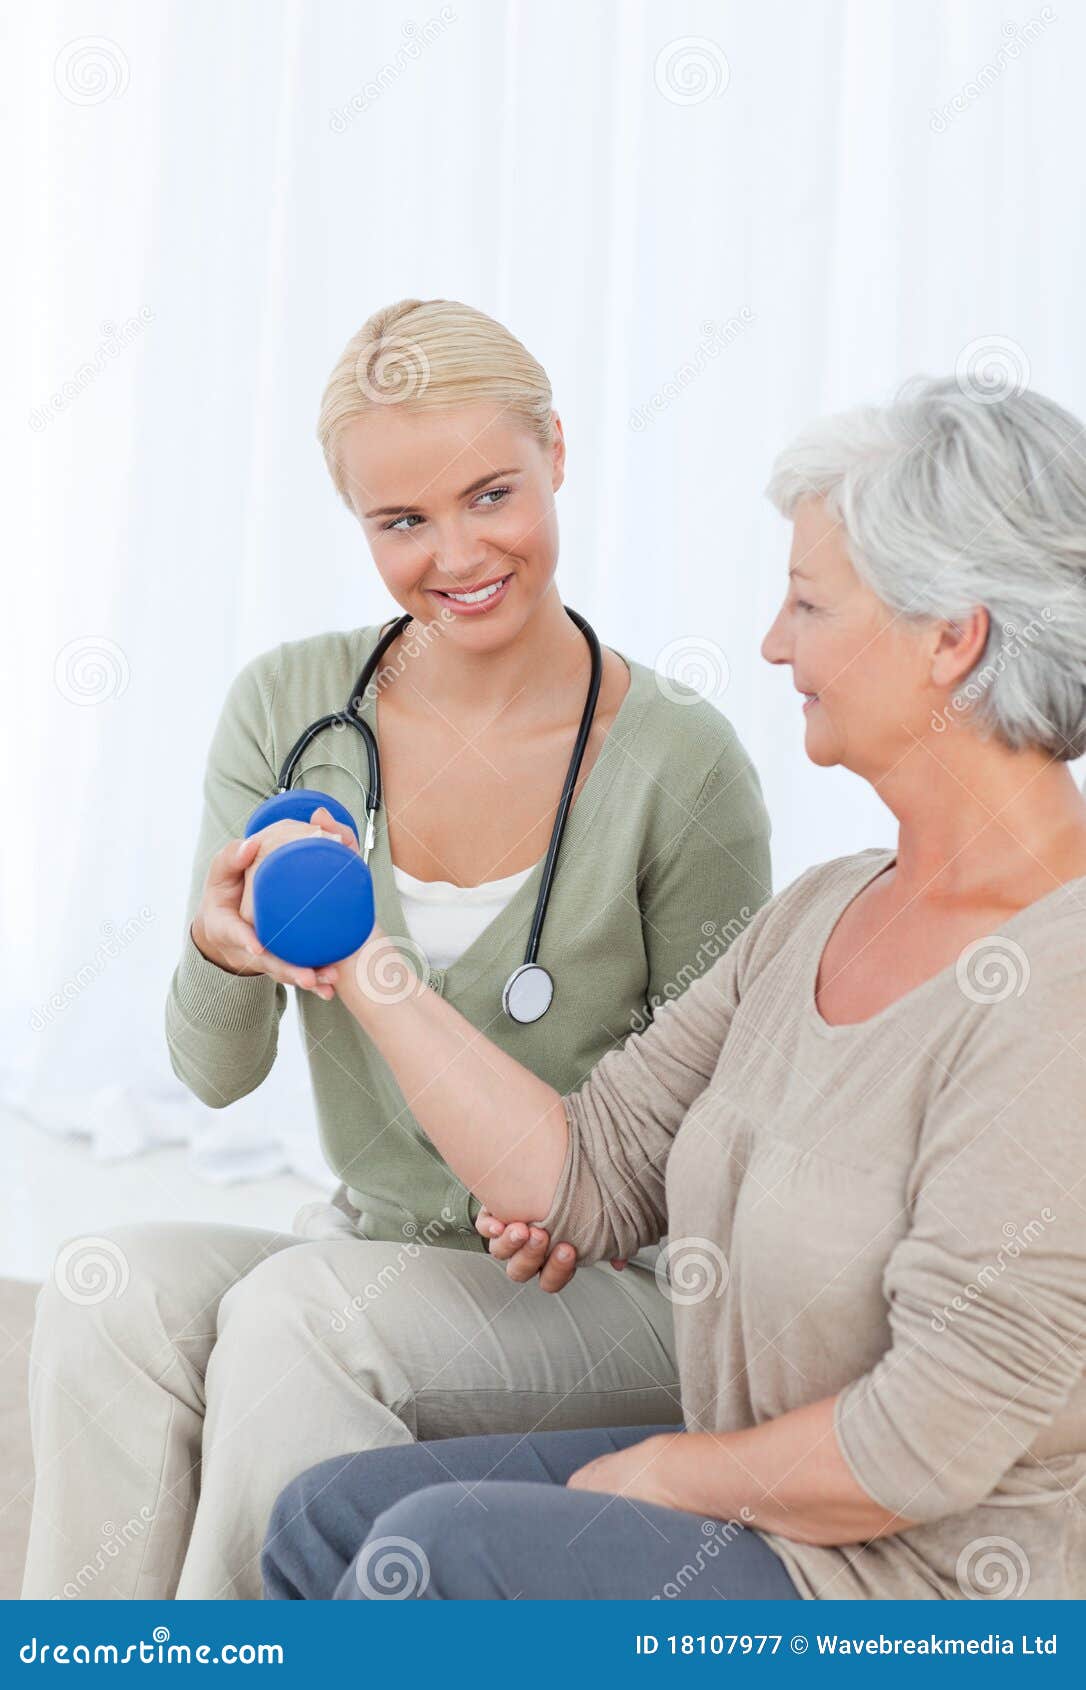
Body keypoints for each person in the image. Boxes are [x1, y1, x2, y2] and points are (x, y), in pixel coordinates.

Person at [263, 377, 1086, 1601]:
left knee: (429, 1559)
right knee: (333, 1515)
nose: (773, 641)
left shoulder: (1054, 988)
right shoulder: (822, 911)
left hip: (927, 1587)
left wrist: (666, 1477)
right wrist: (363, 964)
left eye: (808, 603)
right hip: (772, 1512)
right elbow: (585, 1169)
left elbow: (929, 1434)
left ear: (950, 636)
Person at [21, 299, 769, 1600]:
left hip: (612, 1292)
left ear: (556, 451)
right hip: (372, 1240)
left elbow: (725, 1138)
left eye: (491, 492)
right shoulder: (293, 708)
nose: (458, 553)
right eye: (401, 521)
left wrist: (588, 1202)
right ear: (356, 520)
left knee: (302, 1316)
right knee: (112, 1287)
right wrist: (223, 950)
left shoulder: (679, 763)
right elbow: (211, 1075)